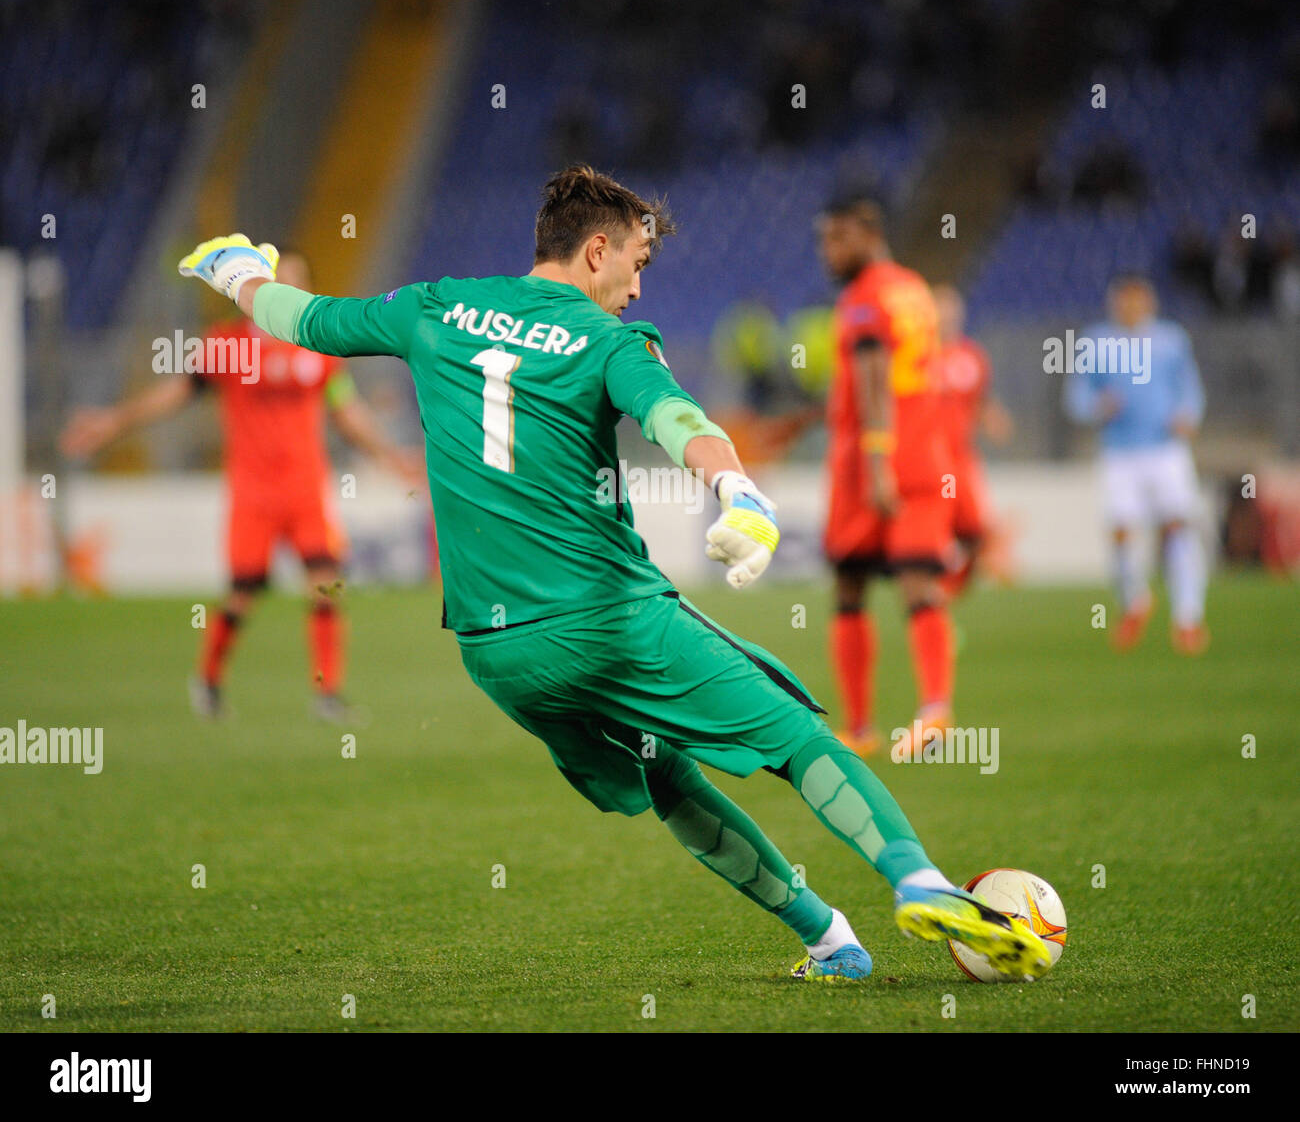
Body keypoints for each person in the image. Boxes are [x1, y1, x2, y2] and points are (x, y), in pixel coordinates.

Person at [174, 165, 1049, 983]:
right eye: (634, 262)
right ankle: (919, 880)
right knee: (793, 732)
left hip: (497, 656)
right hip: (606, 619)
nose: (637, 286)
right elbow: (675, 415)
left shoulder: (434, 305)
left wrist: (237, 271)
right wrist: (737, 491)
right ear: (596, 250)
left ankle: (828, 938)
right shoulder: (605, 338)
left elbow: (302, 319)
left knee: (665, 772)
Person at [61, 251, 424, 721]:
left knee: (326, 586)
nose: (288, 291)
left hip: (305, 491)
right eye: (279, 282)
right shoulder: (226, 345)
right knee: (242, 595)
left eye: (297, 283)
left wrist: (392, 457)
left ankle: (327, 693)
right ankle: (208, 681)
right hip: (253, 494)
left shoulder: (319, 349)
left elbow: (346, 411)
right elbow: (176, 393)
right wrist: (115, 421)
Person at [818, 189, 955, 759]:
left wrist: (876, 459)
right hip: (925, 447)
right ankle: (930, 710)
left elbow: (875, 376)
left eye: (836, 237)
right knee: (908, 578)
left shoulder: (865, 296)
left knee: (859, 585)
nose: (827, 251)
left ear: (868, 233)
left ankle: (863, 725)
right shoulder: (914, 288)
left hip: (873, 459)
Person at [1065, 273, 1209, 653]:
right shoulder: (1095, 342)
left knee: (1177, 527)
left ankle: (1188, 617)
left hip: (1166, 448)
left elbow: (1189, 387)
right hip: (1119, 451)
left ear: (1150, 303)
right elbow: (1077, 395)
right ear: (1114, 303)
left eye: (1137, 300)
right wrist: (1096, 407)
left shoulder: (1171, 340)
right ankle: (1134, 600)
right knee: (1121, 530)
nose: (1130, 307)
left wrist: (1188, 415)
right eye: (1123, 300)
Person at [932, 284, 1013, 597]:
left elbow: (979, 400)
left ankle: (948, 591)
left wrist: (991, 417)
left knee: (975, 534)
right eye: (939, 308)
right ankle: (934, 598)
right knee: (930, 535)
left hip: (961, 460)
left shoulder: (973, 356)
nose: (946, 315)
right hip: (928, 461)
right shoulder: (917, 355)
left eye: (951, 308)